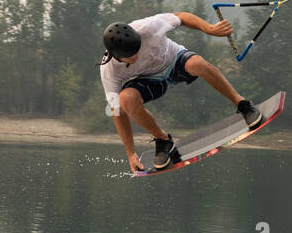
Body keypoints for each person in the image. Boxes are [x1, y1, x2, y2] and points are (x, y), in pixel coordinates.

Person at [99, 12, 263, 171]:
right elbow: (117, 112)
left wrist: (210, 29)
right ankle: (163, 141)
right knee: (125, 100)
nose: (136, 56)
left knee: (197, 64)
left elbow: (182, 17)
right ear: (116, 56)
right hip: (151, 80)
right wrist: (130, 153)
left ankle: (242, 104)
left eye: (137, 49)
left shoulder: (149, 26)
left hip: (174, 60)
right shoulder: (109, 70)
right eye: (131, 56)